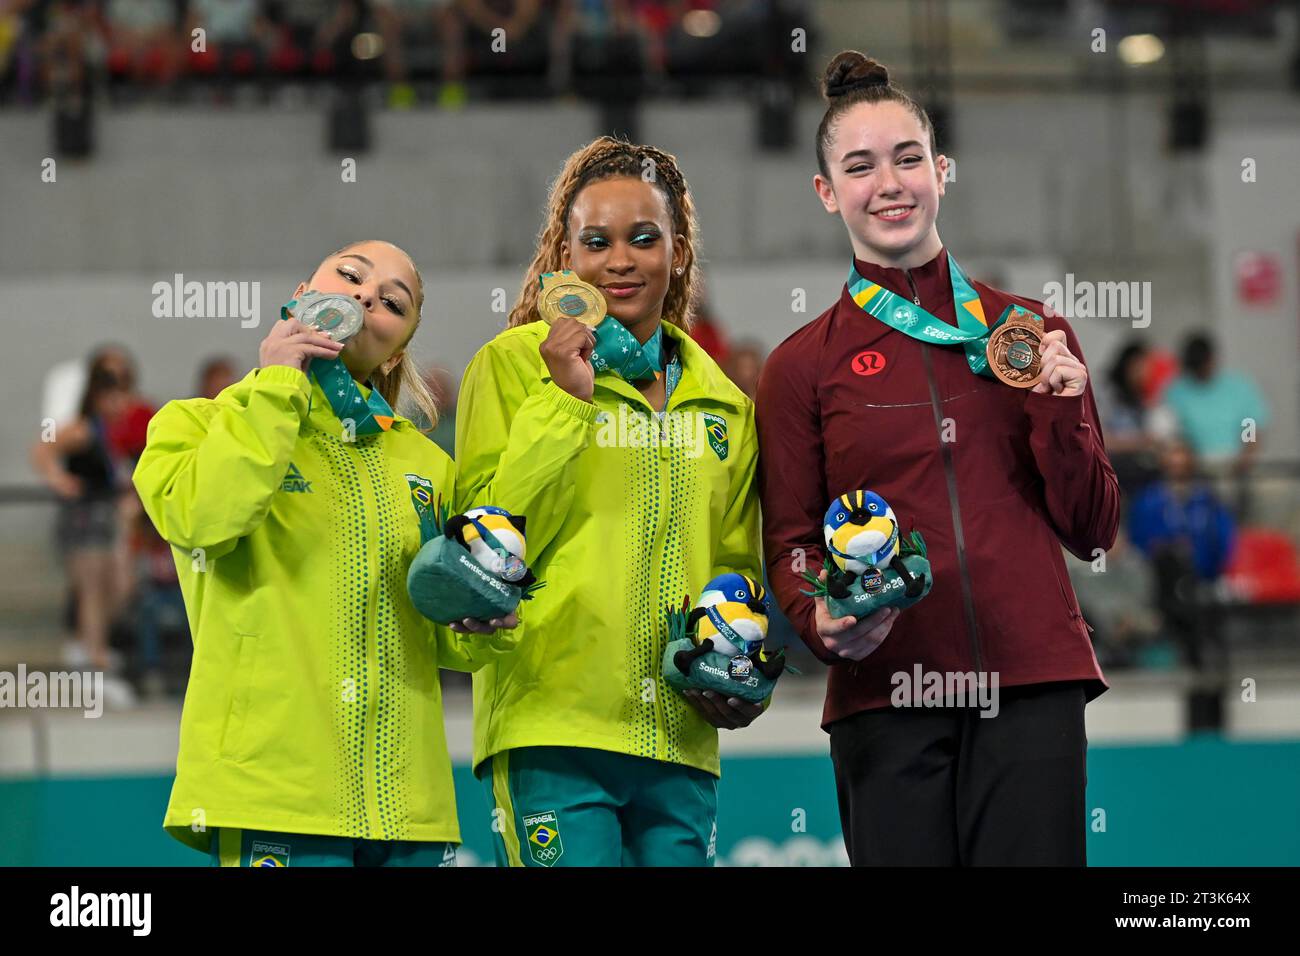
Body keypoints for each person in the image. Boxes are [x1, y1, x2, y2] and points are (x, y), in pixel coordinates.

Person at [756, 51, 1120, 866]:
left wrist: (1064, 416)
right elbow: (790, 544)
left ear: (941, 170)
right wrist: (820, 622)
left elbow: (1094, 530)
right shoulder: (800, 367)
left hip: (1029, 683)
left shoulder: (1029, 332)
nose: (888, 182)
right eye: (859, 166)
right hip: (887, 693)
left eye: (907, 158)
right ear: (827, 192)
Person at [133, 239, 519, 867]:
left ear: (396, 354)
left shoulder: (428, 466)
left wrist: (485, 620)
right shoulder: (196, 425)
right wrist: (279, 385)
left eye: (393, 303)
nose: (369, 295)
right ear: (302, 291)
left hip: (409, 807)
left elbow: (448, 640)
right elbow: (205, 517)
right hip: (275, 796)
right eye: (350, 275)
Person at [456, 136, 763, 866]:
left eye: (643, 239)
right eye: (596, 242)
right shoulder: (510, 367)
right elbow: (484, 536)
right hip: (553, 727)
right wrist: (564, 401)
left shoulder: (723, 404)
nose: (619, 260)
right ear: (565, 257)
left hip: (682, 738)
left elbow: (734, 565)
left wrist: (737, 666)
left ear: (679, 252)